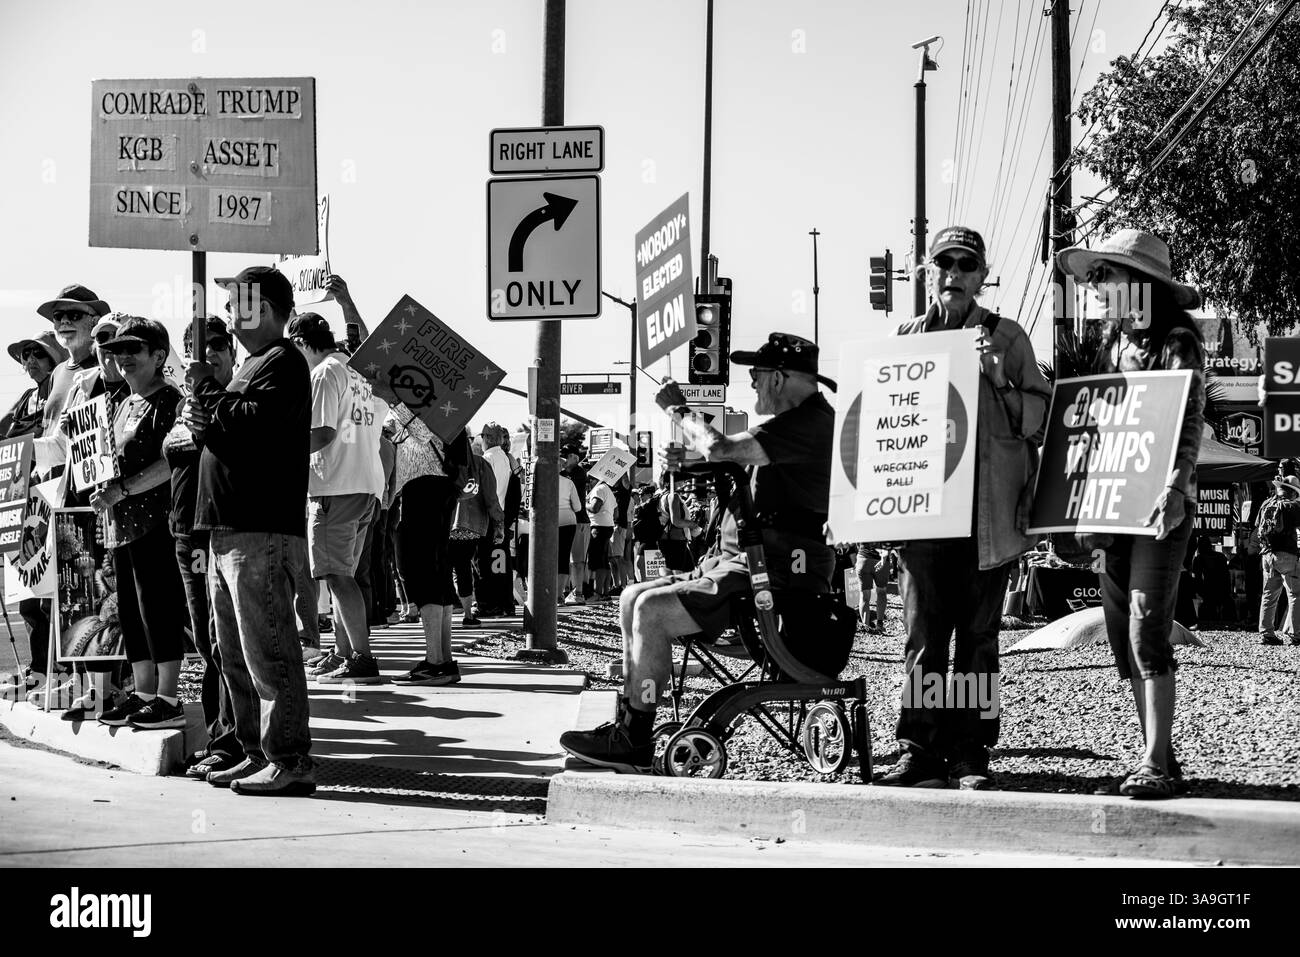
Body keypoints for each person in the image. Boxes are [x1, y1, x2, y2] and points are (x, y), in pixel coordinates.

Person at [561, 331, 837, 773]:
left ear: (780, 378)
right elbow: (729, 460)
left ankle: (633, 740)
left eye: (757, 375)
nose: (752, 384)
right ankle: (633, 721)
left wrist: (677, 411)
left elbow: (720, 447)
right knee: (632, 596)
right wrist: (689, 464)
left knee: (651, 609)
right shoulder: (794, 425)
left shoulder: (809, 423)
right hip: (745, 565)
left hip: (775, 575)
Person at [876, 226, 1051, 791]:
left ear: (981, 275)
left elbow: (1043, 418)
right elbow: (880, 426)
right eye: (943, 263)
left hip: (988, 519)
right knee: (924, 636)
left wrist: (999, 379)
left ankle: (969, 749)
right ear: (930, 272)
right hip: (922, 515)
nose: (954, 273)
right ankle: (919, 747)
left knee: (978, 639)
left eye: (965, 265)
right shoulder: (905, 337)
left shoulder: (1009, 337)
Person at [1058, 227, 1205, 799]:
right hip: (1112, 504)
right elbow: (1093, 428)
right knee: (1122, 634)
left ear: (1139, 284)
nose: (1093, 286)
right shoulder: (1113, 349)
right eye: (1091, 276)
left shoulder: (1177, 343)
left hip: (1162, 506)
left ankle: (1152, 761)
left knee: (1147, 626)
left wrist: (1175, 486)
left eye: (1104, 274)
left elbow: (1186, 421)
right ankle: (1160, 759)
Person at [186, 266, 315, 796]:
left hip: (260, 529)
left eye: (239, 302)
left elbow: (253, 422)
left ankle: (288, 758)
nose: (231, 315)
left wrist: (210, 395)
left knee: (269, 651)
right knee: (233, 651)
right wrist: (208, 408)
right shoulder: (252, 365)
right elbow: (228, 426)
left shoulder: (284, 362)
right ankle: (252, 749)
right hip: (227, 528)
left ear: (263, 308)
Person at [87, 318, 189, 730]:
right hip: (120, 525)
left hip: (158, 523)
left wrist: (123, 490)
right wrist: (103, 493)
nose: (123, 357)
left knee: (158, 606)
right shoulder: (123, 402)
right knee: (131, 610)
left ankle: (168, 697)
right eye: (119, 350)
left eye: (135, 350)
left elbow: (172, 461)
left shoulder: (172, 401)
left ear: (159, 356)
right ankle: (144, 692)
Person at [290, 312, 387, 684]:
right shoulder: (355, 372)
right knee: (342, 575)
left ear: (301, 342)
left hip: (335, 486)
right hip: (365, 485)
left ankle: (361, 658)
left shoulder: (324, 373)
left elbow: (323, 432)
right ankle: (345, 653)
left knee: (337, 577)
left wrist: (280, 454)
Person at [166, 317, 245, 777]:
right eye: (195, 346)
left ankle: (233, 743)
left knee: (224, 641)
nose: (207, 354)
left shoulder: (234, 400)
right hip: (183, 534)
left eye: (216, 345)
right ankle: (222, 735)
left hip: (222, 533)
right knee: (206, 640)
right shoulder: (184, 405)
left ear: (232, 350)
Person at [381, 406, 470, 686]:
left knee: (420, 570)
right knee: (437, 572)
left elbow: (422, 434)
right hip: (436, 487)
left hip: (425, 486)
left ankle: (435, 660)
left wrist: (393, 401)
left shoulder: (417, 406)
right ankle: (442, 659)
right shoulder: (446, 405)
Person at [0, 330, 68, 699]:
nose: (29, 362)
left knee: (54, 597)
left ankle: (59, 671)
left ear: (55, 358)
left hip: (57, 501)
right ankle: (39, 672)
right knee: (28, 595)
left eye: (37, 355)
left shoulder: (67, 389)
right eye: (25, 356)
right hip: (25, 505)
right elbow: (4, 431)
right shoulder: (27, 398)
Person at [449, 437, 503, 628]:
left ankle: (446, 613)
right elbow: (491, 497)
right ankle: (467, 615)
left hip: (444, 525)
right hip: (471, 524)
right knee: (463, 567)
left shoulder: (443, 463)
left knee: (450, 568)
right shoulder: (480, 463)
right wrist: (498, 522)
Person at [1252, 474, 1300, 645]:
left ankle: (1266, 633)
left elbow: (1257, 527)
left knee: (1269, 594)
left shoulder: (1266, 504)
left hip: (1267, 555)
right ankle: (1296, 634)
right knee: (1295, 594)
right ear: (1293, 492)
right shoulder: (1293, 506)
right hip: (1287, 554)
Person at [562, 444, 591, 604]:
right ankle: (570, 591)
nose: (563, 459)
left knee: (577, 561)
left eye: (566, 456)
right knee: (570, 560)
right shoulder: (569, 472)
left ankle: (578, 593)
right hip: (571, 520)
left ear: (575, 457)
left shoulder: (578, 472)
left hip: (579, 520)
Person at [557, 453, 585, 603]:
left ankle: (547, 591)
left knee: (548, 557)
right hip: (568, 521)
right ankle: (559, 594)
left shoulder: (540, 481)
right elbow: (578, 507)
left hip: (547, 522)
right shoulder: (568, 483)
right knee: (563, 557)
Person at [586, 475, 617, 601]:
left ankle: (597, 593)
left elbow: (594, 508)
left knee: (597, 561)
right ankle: (605, 592)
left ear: (595, 479)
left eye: (590, 480)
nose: (589, 483)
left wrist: (584, 504)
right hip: (607, 526)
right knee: (604, 561)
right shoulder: (608, 489)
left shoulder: (598, 489)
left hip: (598, 527)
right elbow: (617, 512)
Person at [1191, 536, 1233, 624]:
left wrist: (1199, 592)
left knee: (1208, 611)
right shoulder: (1221, 556)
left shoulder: (1199, 559)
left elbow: (1197, 578)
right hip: (1223, 589)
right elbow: (1226, 576)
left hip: (1208, 590)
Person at [854, 543, 890, 634]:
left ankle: (865, 626)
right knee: (881, 592)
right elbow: (887, 544)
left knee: (864, 596)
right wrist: (883, 559)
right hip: (880, 559)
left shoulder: (861, 527)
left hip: (863, 559)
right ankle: (879, 625)